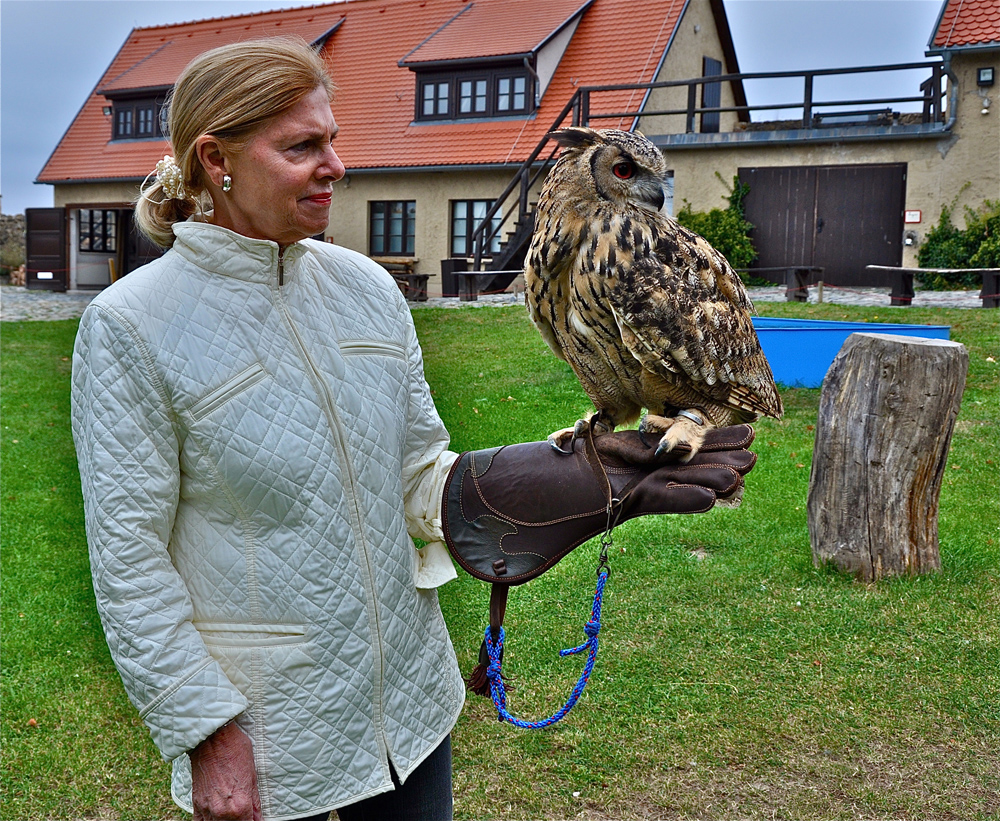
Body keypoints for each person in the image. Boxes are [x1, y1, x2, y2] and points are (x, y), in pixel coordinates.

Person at [71, 37, 756, 821]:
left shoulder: (366, 290)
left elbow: (419, 477)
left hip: (411, 706)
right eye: (302, 147)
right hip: (270, 737)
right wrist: (204, 731)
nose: (336, 166)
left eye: (332, 140)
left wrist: (589, 477)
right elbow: (129, 564)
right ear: (215, 158)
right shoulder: (133, 326)